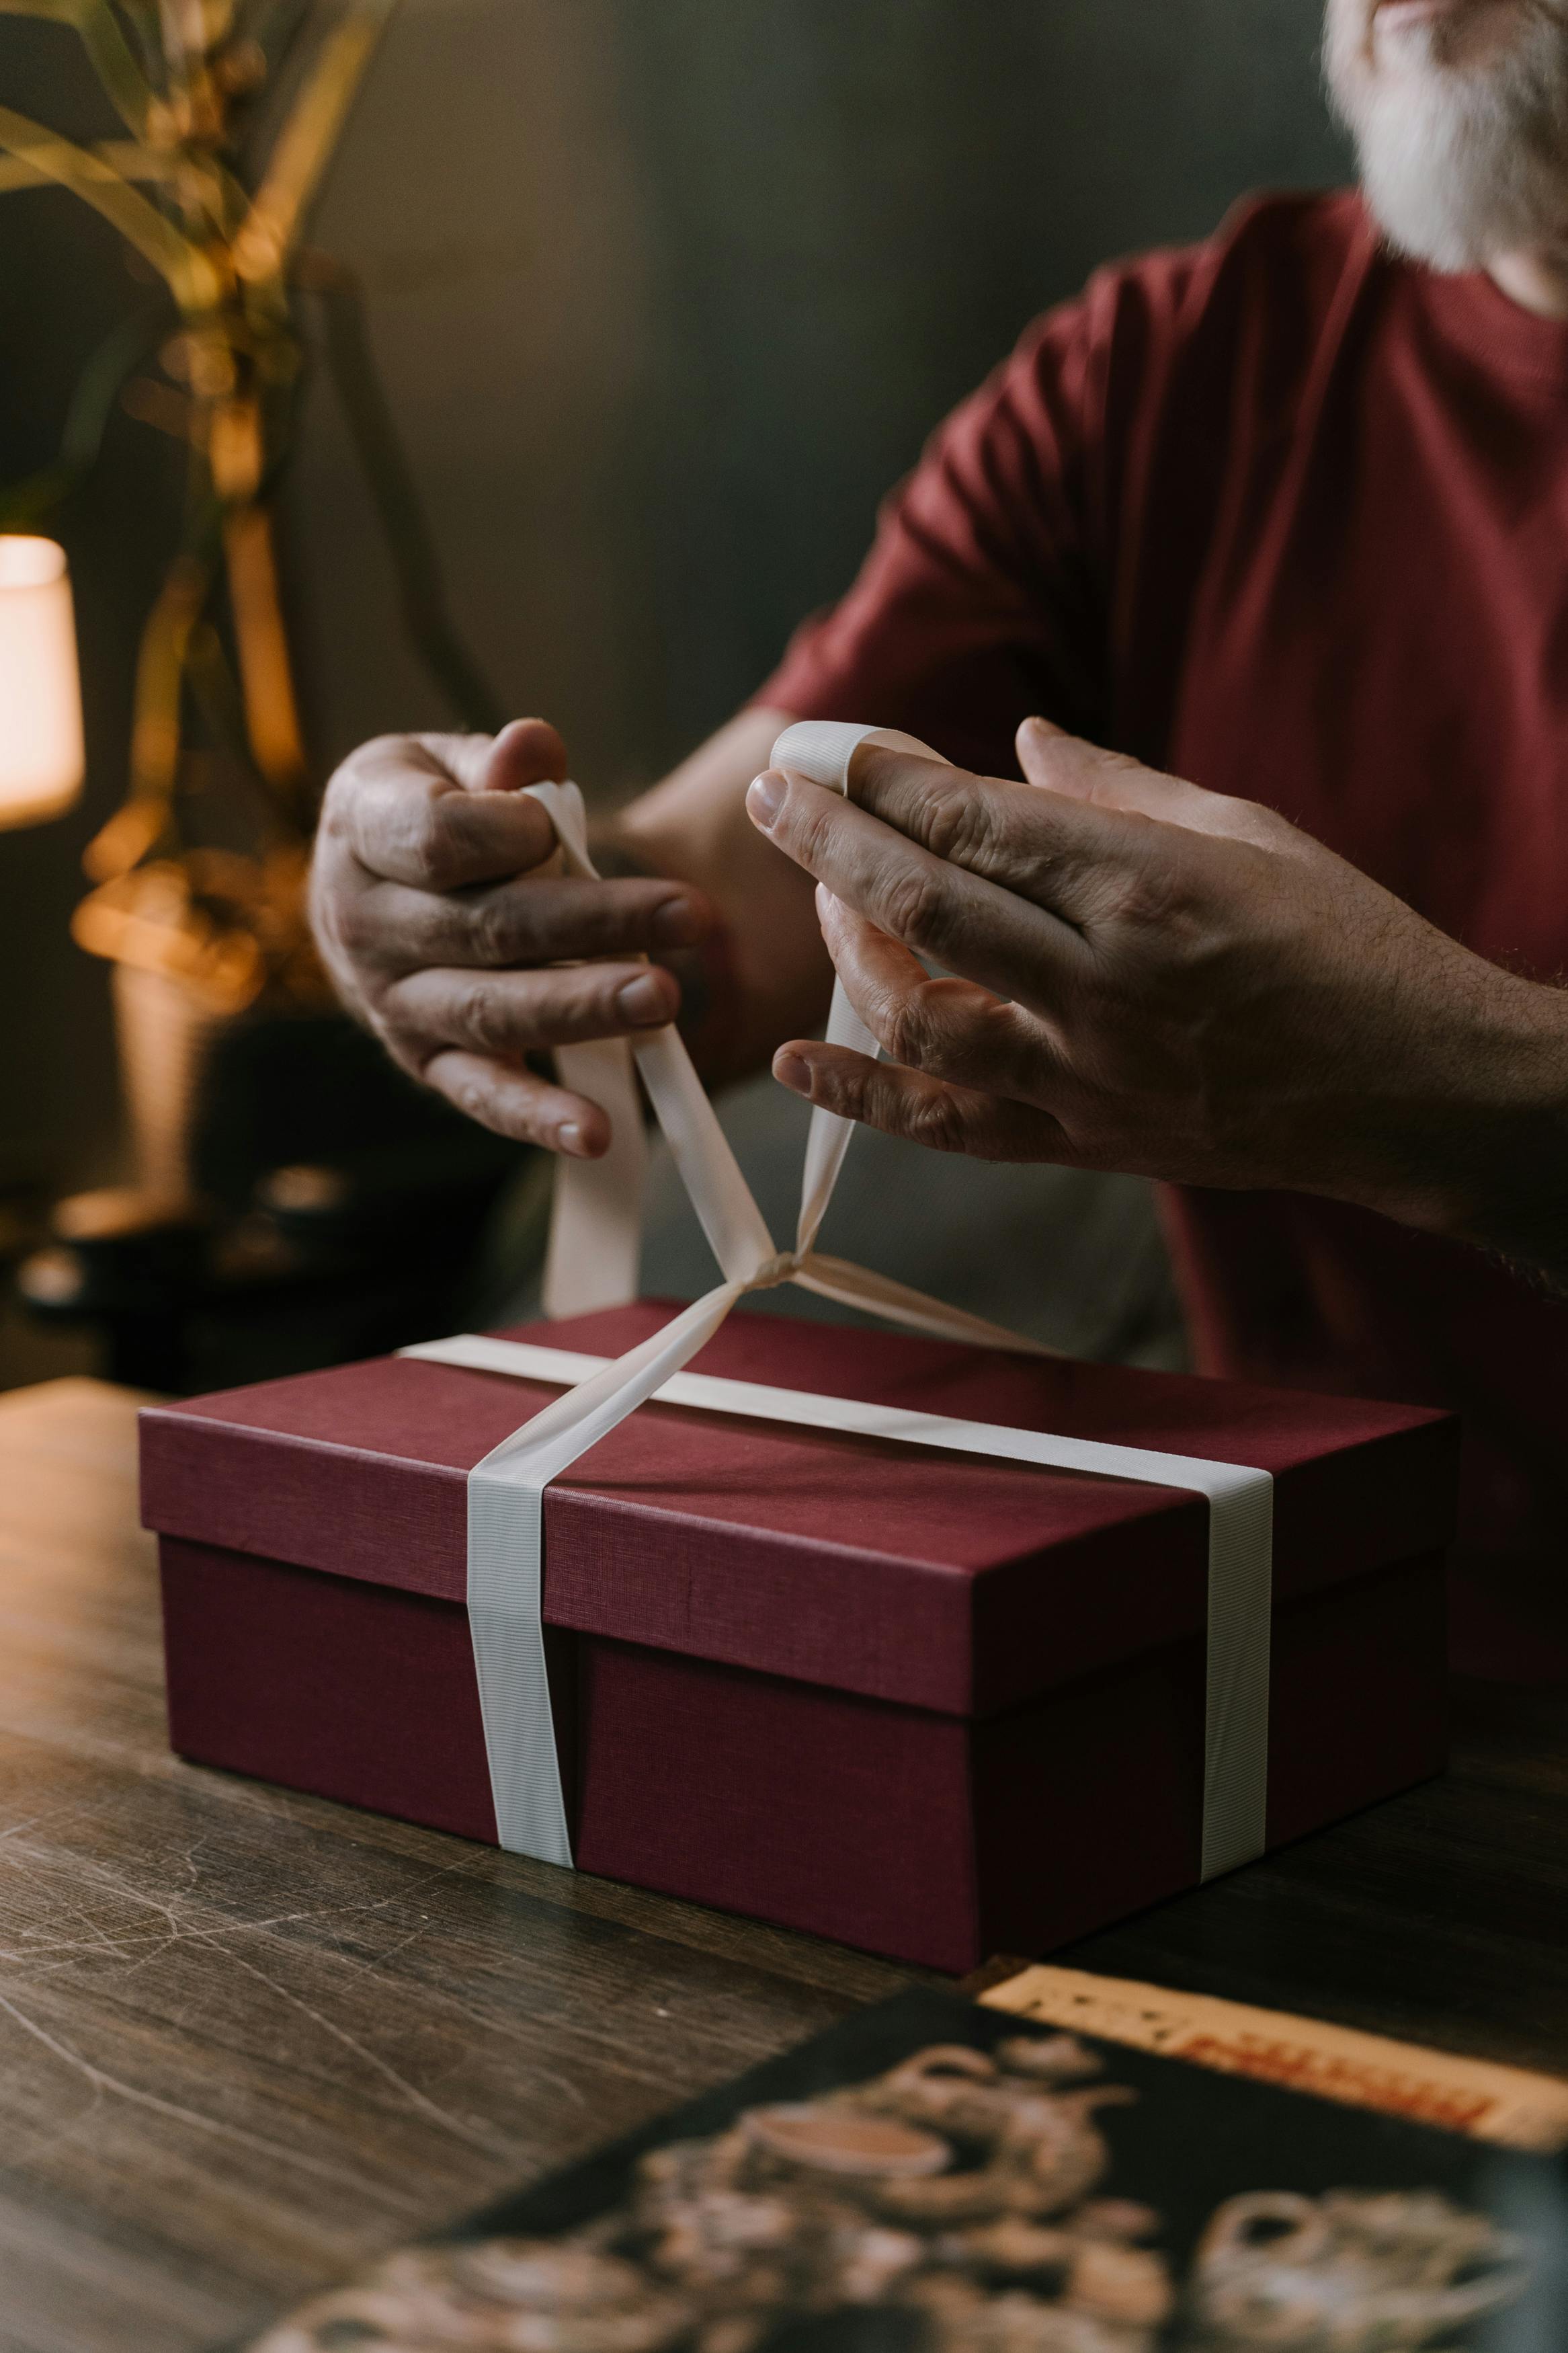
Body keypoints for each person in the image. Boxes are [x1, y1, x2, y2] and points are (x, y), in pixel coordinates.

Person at [310, 0, 1568, 1679]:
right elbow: (703, 915)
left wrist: (1429, 1087)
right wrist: (462, 895)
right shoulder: (1172, 374)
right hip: (1318, 1663)